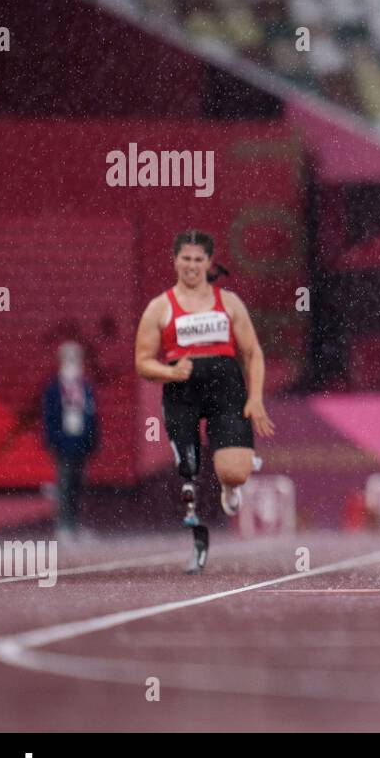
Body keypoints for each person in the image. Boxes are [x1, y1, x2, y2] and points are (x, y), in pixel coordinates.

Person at [134, 230, 275, 573]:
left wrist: (255, 398)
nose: (192, 266)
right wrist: (170, 373)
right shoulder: (160, 307)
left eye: (199, 260)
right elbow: (142, 362)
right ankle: (197, 536)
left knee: (236, 471)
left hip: (226, 388)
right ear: (175, 260)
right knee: (190, 471)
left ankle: (230, 485)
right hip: (182, 391)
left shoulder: (229, 302)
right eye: (186, 258)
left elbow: (253, 352)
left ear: (209, 263)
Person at [42, 341, 99, 540]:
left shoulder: (85, 386)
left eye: (76, 358)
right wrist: (52, 440)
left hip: (80, 442)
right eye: (69, 358)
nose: (72, 362)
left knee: (77, 484)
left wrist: (92, 440)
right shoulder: (54, 387)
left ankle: (75, 524)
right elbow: (49, 416)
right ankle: (63, 525)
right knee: (64, 483)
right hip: (63, 442)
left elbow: (92, 415)